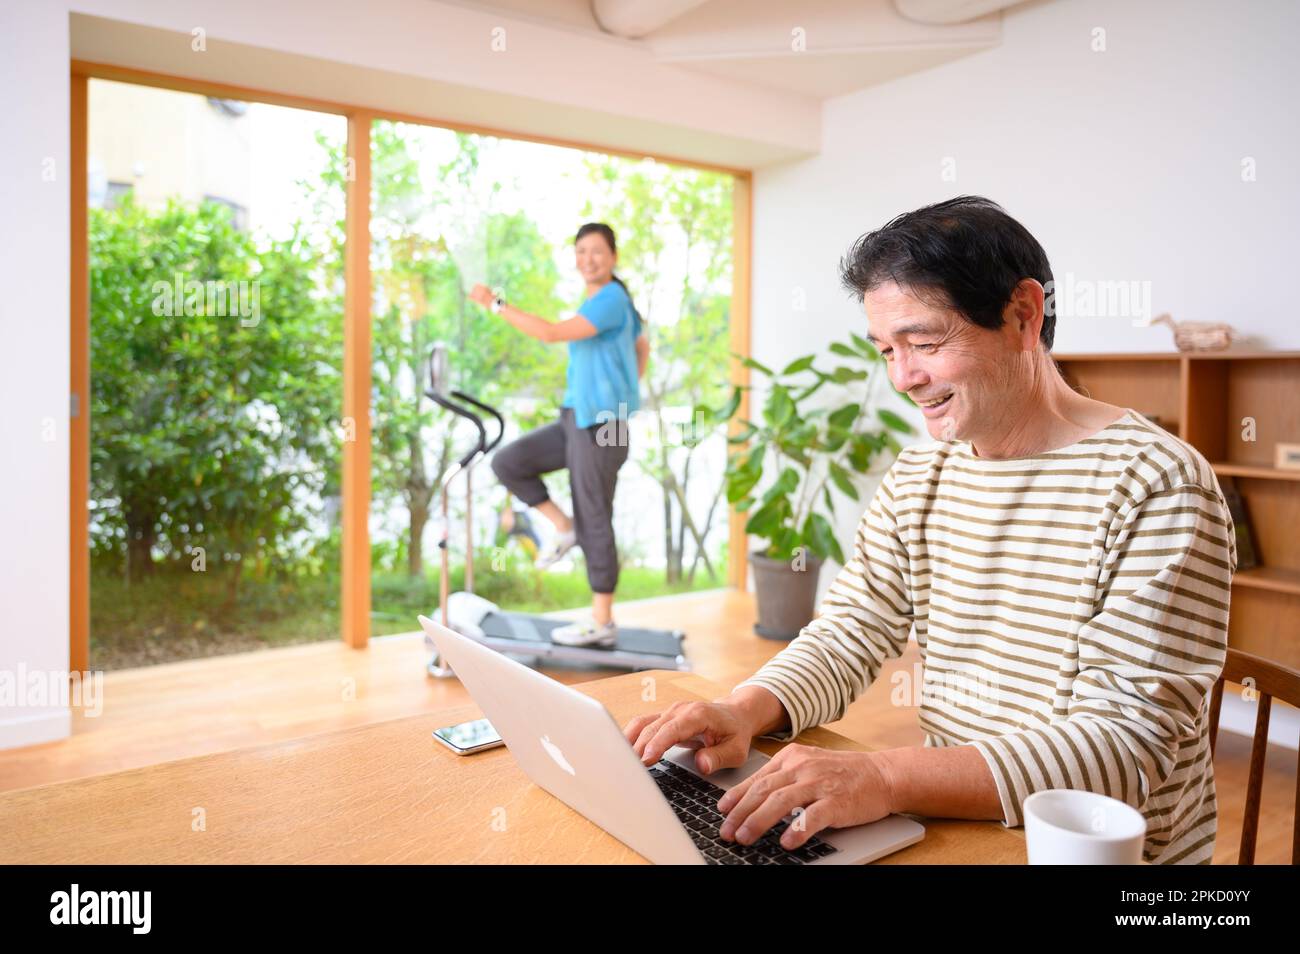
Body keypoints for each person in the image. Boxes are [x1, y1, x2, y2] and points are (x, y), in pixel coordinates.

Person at [622, 196, 1235, 864]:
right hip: (956, 829)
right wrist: (747, 708)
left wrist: (886, 776)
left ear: (1023, 316)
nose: (904, 378)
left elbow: (1124, 746)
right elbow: (852, 627)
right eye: (887, 350)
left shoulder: (1157, 484)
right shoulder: (920, 476)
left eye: (925, 343)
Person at [468, 222, 648, 647]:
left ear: (614, 256)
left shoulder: (611, 299)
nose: (589, 259)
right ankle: (563, 526)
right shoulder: (608, 303)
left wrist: (495, 302)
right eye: (581, 251)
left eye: (597, 251)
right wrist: (626, 386)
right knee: (509, 462)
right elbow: (642, 348)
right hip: (576, 418)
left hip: (603, 427)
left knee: (596, 517)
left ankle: (602, 622)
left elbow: (549, 333)